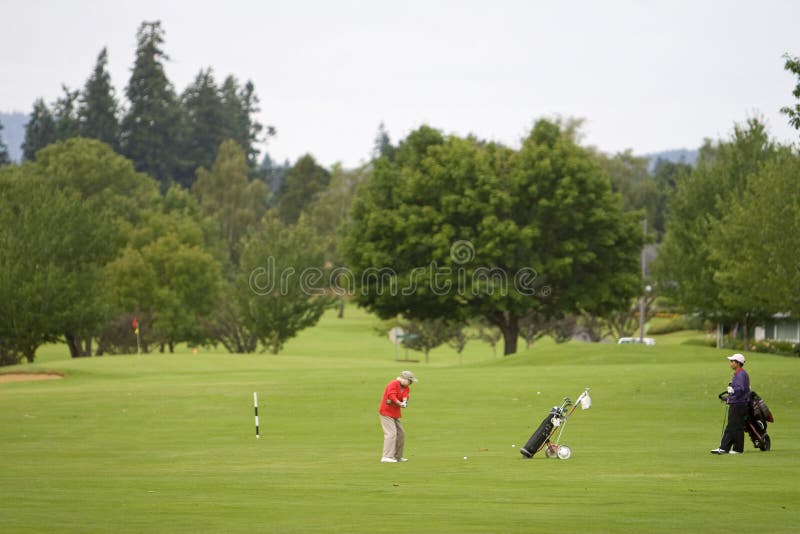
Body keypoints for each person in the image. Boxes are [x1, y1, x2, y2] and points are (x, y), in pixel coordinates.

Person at [710, 353, 750, 455]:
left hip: (739, 404)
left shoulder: (741, 374)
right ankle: (729, 448)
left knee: (735, 426)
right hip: (737, 403)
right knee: (733, 426)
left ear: (738, 363)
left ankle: (733, 449)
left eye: (732, 361)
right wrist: (730, 395)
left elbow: (740, 389)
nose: (730, 363)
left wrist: (732, 390)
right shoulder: (738, 373)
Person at [379, 370, 417, 463]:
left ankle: (397, 456)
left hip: (395, 413)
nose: (411, 383)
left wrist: (404, 401)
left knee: (401, 434)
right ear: (404, 379)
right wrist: (399, 403)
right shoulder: (393, 384)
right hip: (386, 412)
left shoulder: (406, 388)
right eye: (410, 381)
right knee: (391, 433)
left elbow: (405, 395)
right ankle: (386, 456)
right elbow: (392, 395)